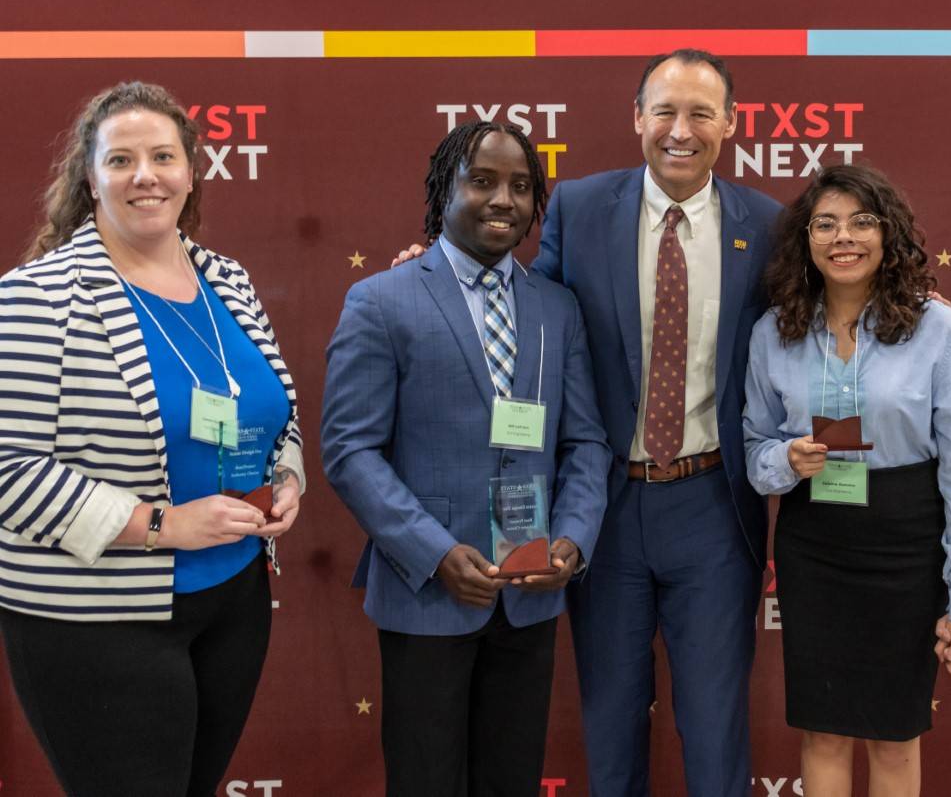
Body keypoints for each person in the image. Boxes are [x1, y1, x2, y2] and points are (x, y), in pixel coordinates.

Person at [391, 48, 781, 795]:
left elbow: (813, 317)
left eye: (701, 113)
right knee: (610, 718)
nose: (681, 130)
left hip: (712, 505)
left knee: (716, 725)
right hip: (603, 505)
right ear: (637, 118)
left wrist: (909, 304)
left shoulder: (765, 223)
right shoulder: (577, 205)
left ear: (730, 123)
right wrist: (432, 271)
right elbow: (522, 302)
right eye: (664, 111)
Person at [0, 81, 304, 797]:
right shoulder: (37, 296)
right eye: (121, 160)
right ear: (90, 178)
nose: (146, 175)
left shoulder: (228, 281)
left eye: (163, 157)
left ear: (192, 171)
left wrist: (287, 476)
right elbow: (9, 470)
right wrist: (161, 524)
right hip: (97, 618)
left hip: (232, 599)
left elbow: (277, 412)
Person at [321, 120, 609, 797]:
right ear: (444, 192)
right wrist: (435, 553)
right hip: (429, 592)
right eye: (482, 181)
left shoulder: (558, 308)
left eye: (521, 186)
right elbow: (350, 449)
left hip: (530, 594)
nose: (503, 199)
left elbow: (585, 442)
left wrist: (572, 540)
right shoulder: (381, 300)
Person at [743, 164, 951, 797]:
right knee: (824, 731)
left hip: (908, 544)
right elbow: (755, 447)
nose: (843, 238)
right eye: (825, 224)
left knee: (894, 733)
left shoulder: (938, 329)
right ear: (805, 239)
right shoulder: (774, 332)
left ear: (889, 235)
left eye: (861, 222)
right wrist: (785, 460)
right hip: (815, 544)